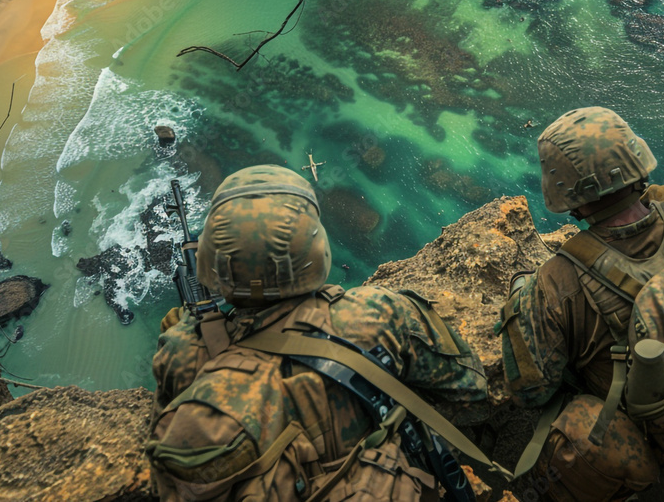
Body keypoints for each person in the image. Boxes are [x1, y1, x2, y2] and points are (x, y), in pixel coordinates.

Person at [147, 165, 487, 501]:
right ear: (314, 249)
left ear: (210, 263)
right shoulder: (375, 314)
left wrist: (189, 330)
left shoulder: (179, 350)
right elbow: (471, 385)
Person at [498, 107, 664, 501]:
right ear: (637, 163)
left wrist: (520, 294)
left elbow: (531, 392)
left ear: (566, 195)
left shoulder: (555, 283)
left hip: (659, 427)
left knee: (572, 423)